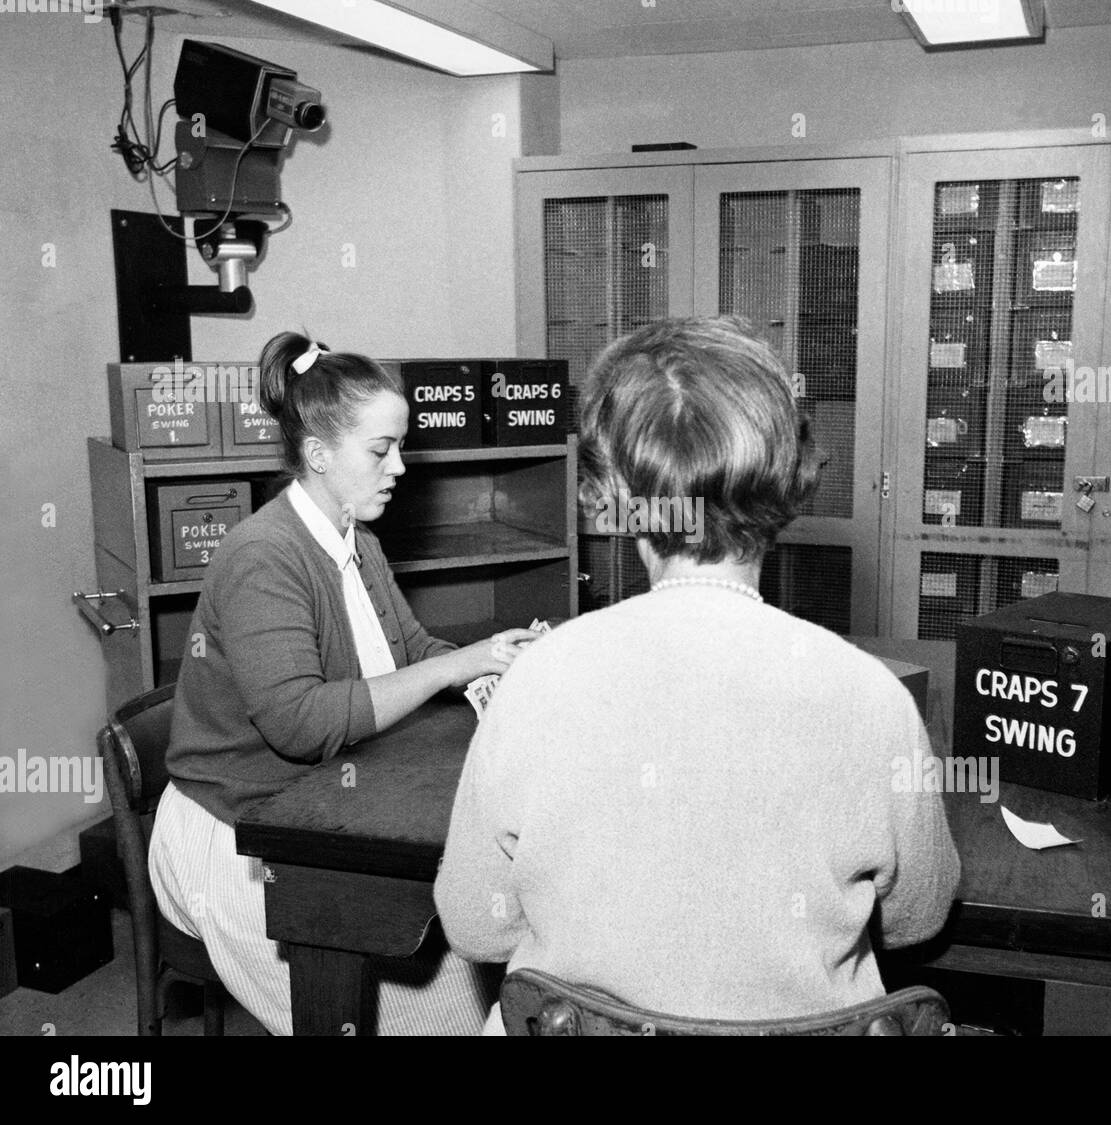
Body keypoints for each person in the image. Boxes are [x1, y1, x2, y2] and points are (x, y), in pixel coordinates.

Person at [435, 315, 961, 1034]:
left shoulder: (534, 679)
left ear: (614, 493)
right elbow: (919, 916)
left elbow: (475, 925)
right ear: (789, 479)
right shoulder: (872, 693)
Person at [148, 331, 538, 1035]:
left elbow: (410, 650)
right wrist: (454, 664)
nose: (402, 466)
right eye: (381, 449)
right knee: (404, 1012)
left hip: (323, 811)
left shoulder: (359, 538)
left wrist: (490, 660)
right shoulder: (262, 556)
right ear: (320, 454)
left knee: (463, 966)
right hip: (232, 831)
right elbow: (300, 720)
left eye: (402, 446)